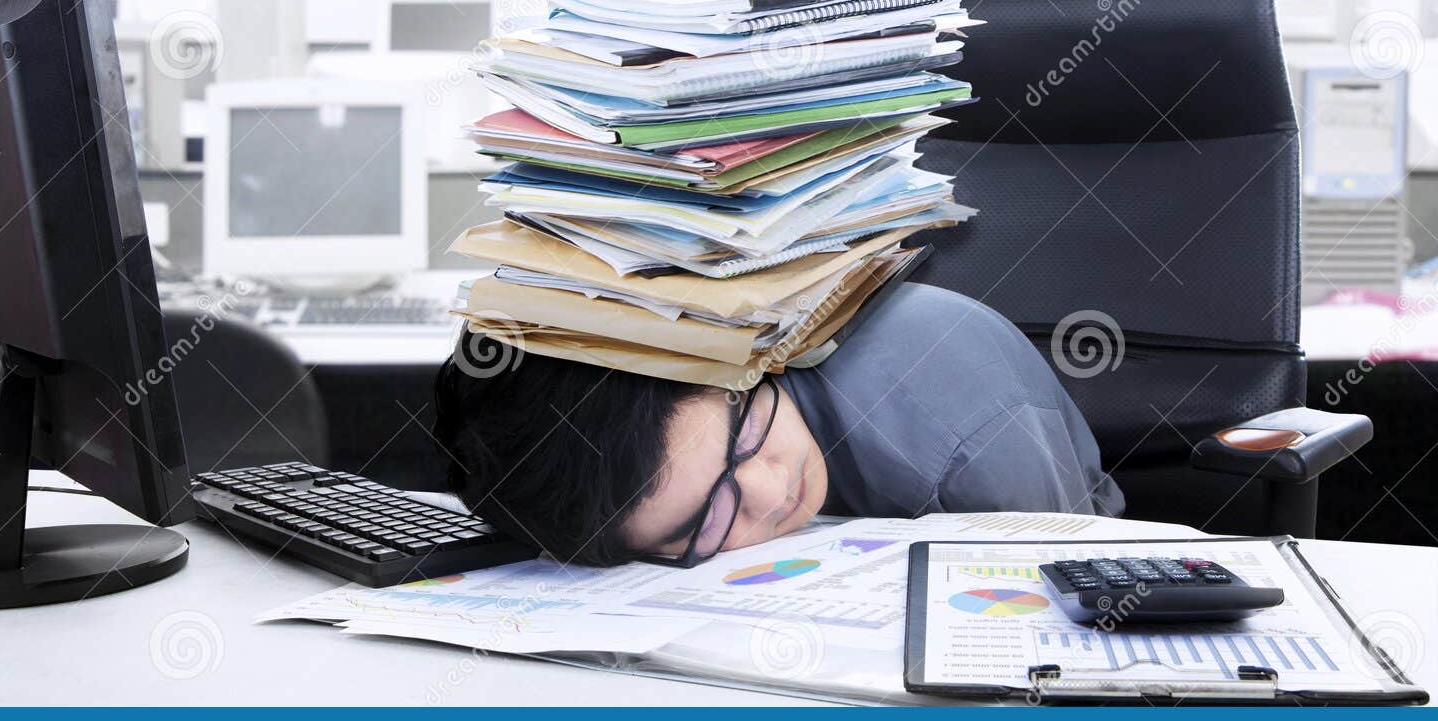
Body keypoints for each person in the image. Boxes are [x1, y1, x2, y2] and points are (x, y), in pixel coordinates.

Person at [434, 282, 1123, 568]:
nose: (769, 494)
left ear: (742, 359)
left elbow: (1053, 628)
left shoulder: (967, 444)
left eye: (744, 437)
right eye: (706, 522)